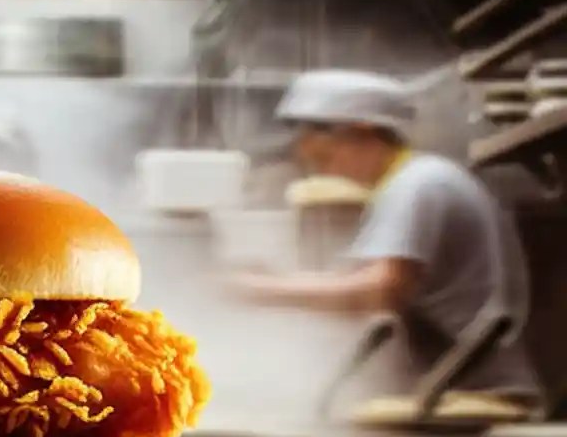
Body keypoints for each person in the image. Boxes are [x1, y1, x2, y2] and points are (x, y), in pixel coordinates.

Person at [231, 69, 542, 407]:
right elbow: (355, 282)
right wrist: (275, 281)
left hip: (479, 396)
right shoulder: (411, 182)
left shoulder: (419, 185)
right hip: (453, 391)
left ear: (362, 132)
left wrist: (256, 291)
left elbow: (380, 291)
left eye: (322, 155)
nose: (316, 167)